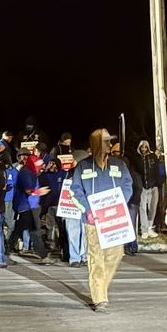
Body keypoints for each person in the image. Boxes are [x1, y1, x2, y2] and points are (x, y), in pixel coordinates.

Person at [69, 129, 133, 313]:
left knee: (116, 254)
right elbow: (75, 191)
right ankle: (99, 298)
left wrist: (120, 203)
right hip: (92, 220)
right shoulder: (83, 166)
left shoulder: (119, 165)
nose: (109, 144)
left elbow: (128, 185)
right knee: (95, 258)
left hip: (114, 220)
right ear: (97, 143)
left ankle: (100, 287)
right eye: (105, 141)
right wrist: (87, 210)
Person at [134, 140, 162, 238]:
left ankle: (150, 227)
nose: (144, 149)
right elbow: (137, 173)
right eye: (142, 147)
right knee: (142, 208)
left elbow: (157, 170)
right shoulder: (137, 159)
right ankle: (144, 229)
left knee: (152, 207)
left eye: (146, 147)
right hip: (142, 186)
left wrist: (158, 183)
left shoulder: (153, 157)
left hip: (153, 185)